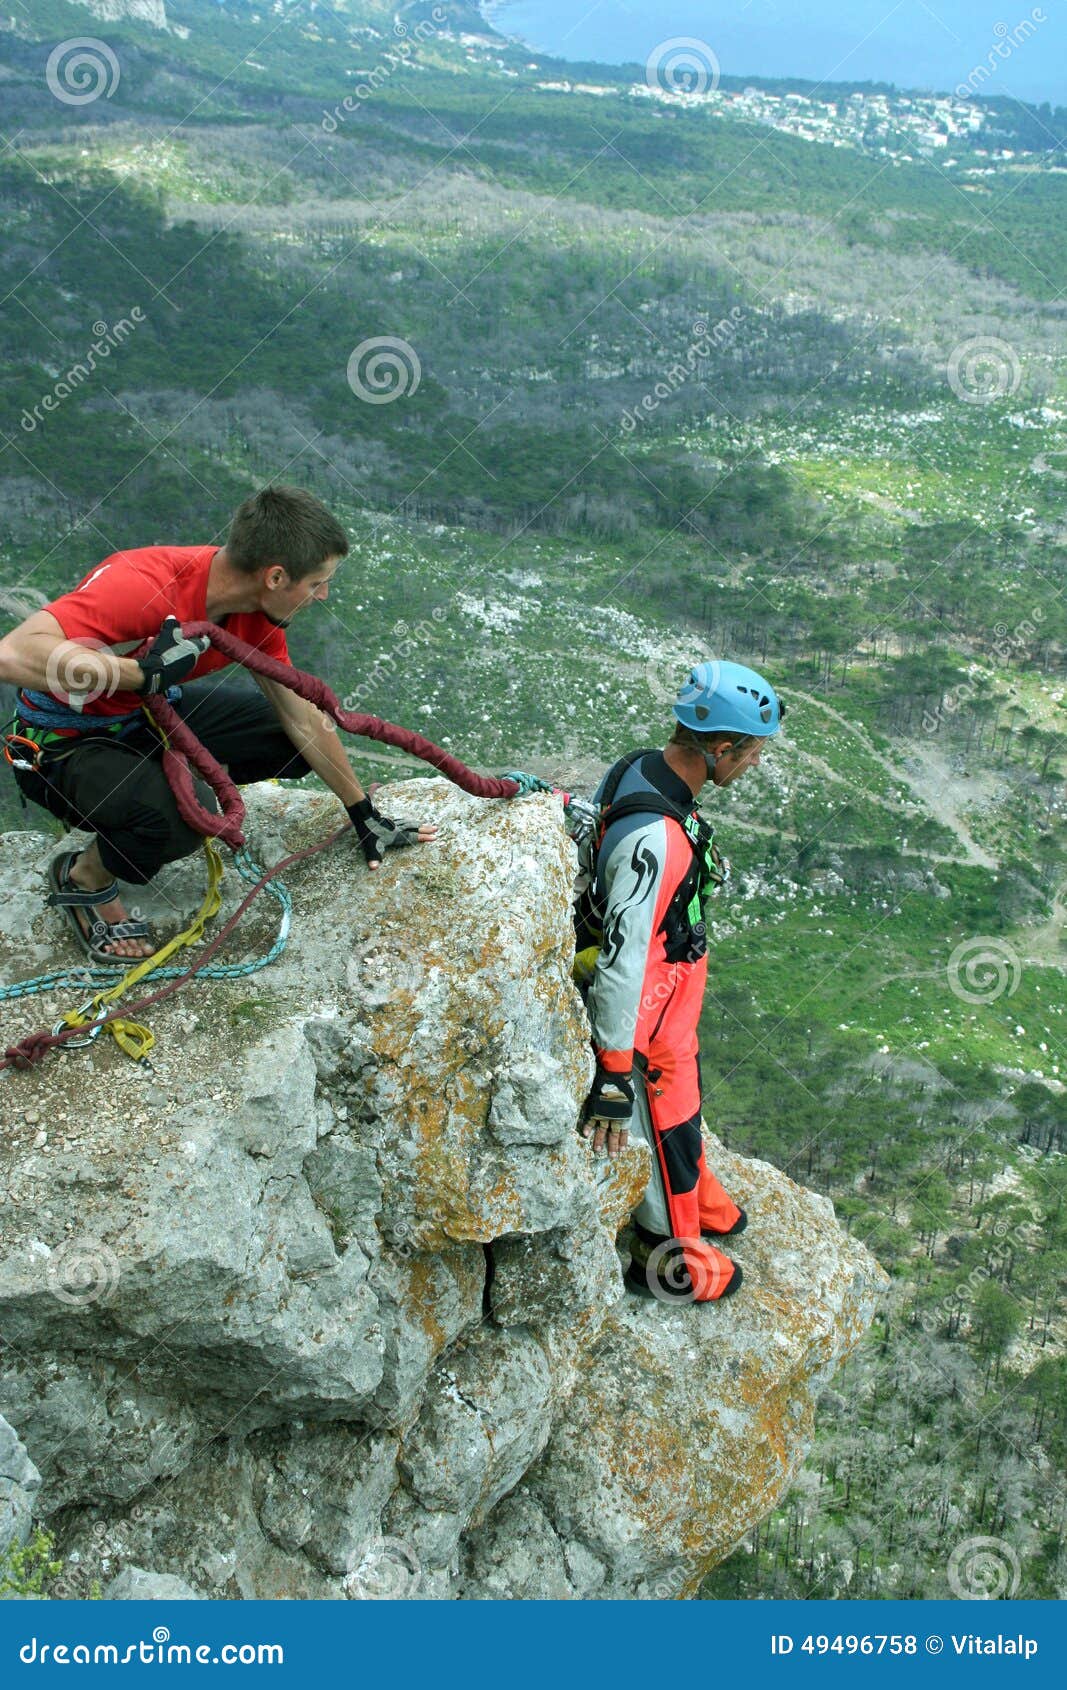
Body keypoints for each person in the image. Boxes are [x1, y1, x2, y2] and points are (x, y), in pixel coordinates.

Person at [0, 485, 437, 963]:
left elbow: (299, 713)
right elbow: (12, 654)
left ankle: (146, 799)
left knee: (280, 737)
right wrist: (136, 674)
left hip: (144, 719)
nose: (323, 595)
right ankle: (86, 873)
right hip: (63, 745)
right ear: (275, 577)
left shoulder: (253, 612)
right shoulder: (142, 584)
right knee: (183, 819)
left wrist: (363, 813)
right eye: (316, 582)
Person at [578, 659, 785, 1304]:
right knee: (665, 1118)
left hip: (673, 998)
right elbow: (622, 957)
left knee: (686, 1108)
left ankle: (693, 1183)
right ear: (721, 748)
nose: (753, 765)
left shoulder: (644, 766)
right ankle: (667, 1255)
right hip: (646, 1019)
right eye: (751, 753)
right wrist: (614, 1073)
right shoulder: (659, 840)